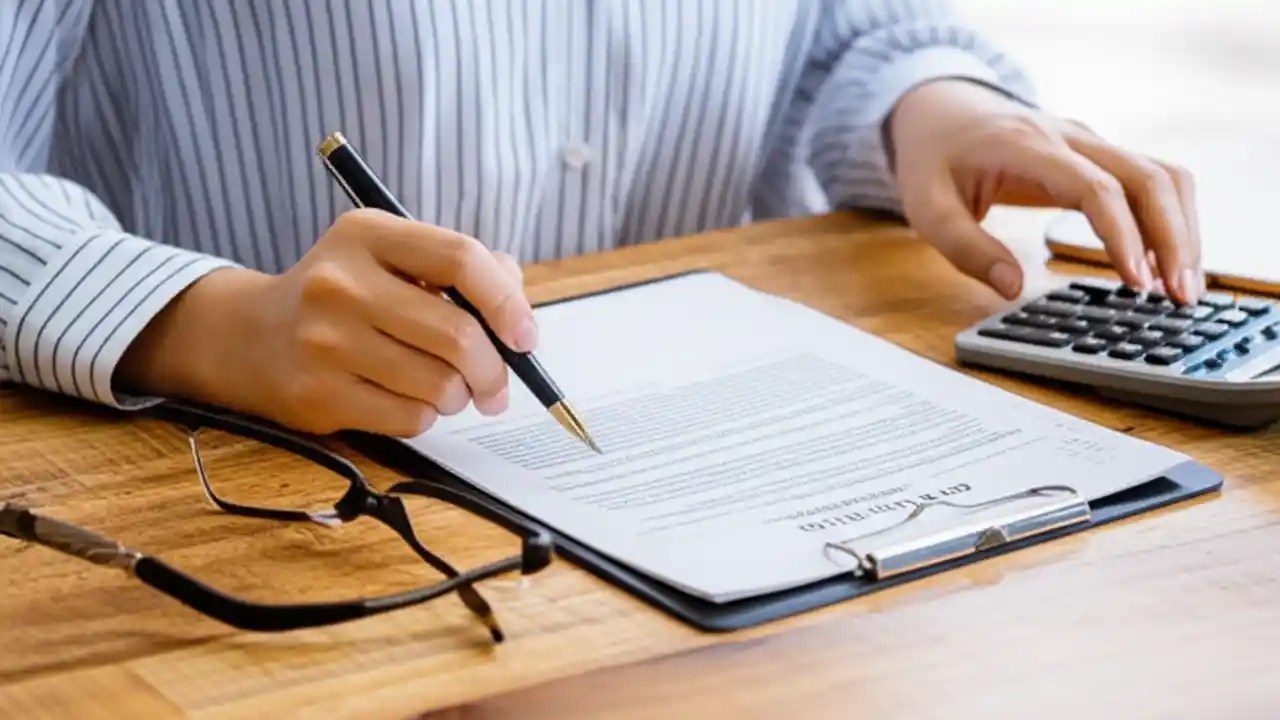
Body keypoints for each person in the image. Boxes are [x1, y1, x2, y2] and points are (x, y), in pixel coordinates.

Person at [0, 1, 1200, 438]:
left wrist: (923, 102)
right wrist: (213, 324)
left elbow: (829, 33)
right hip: (284, 500)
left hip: (727, 498)